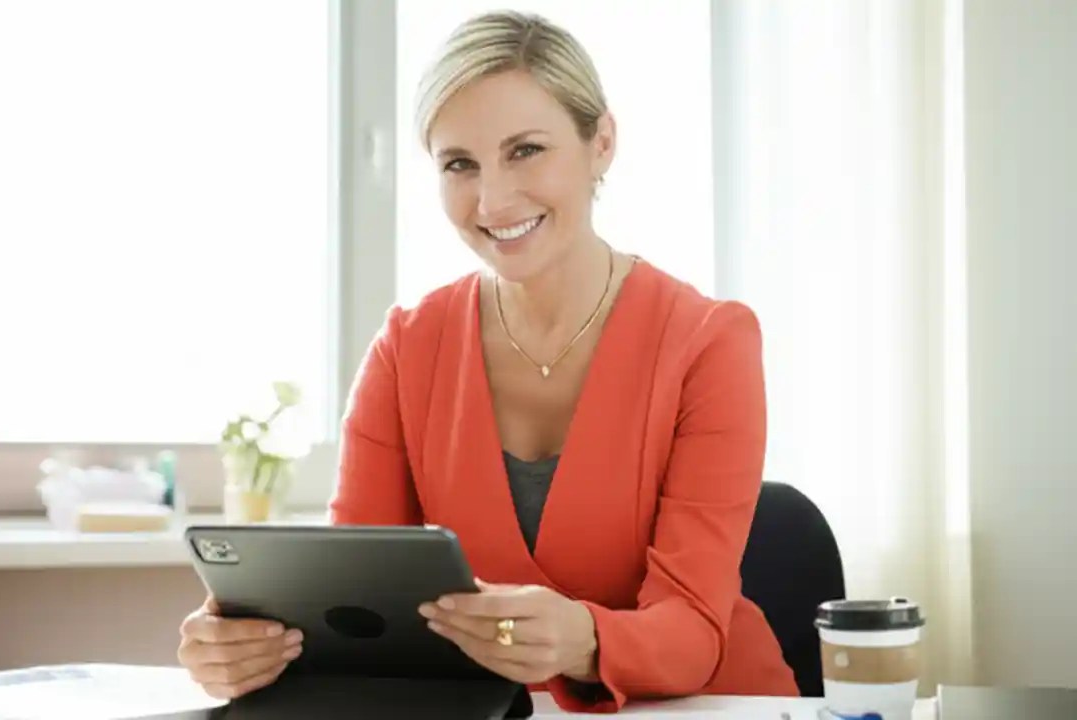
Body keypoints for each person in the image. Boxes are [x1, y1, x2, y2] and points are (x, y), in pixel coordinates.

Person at [176, 10, 797, 712]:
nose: (492, 199)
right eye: (459, 164)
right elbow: (349, 605)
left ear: (601, 144)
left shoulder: (709, 342)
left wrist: (589, 639)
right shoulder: (407, 349)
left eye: (526, 150)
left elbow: (693, 628)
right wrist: (242, 645)